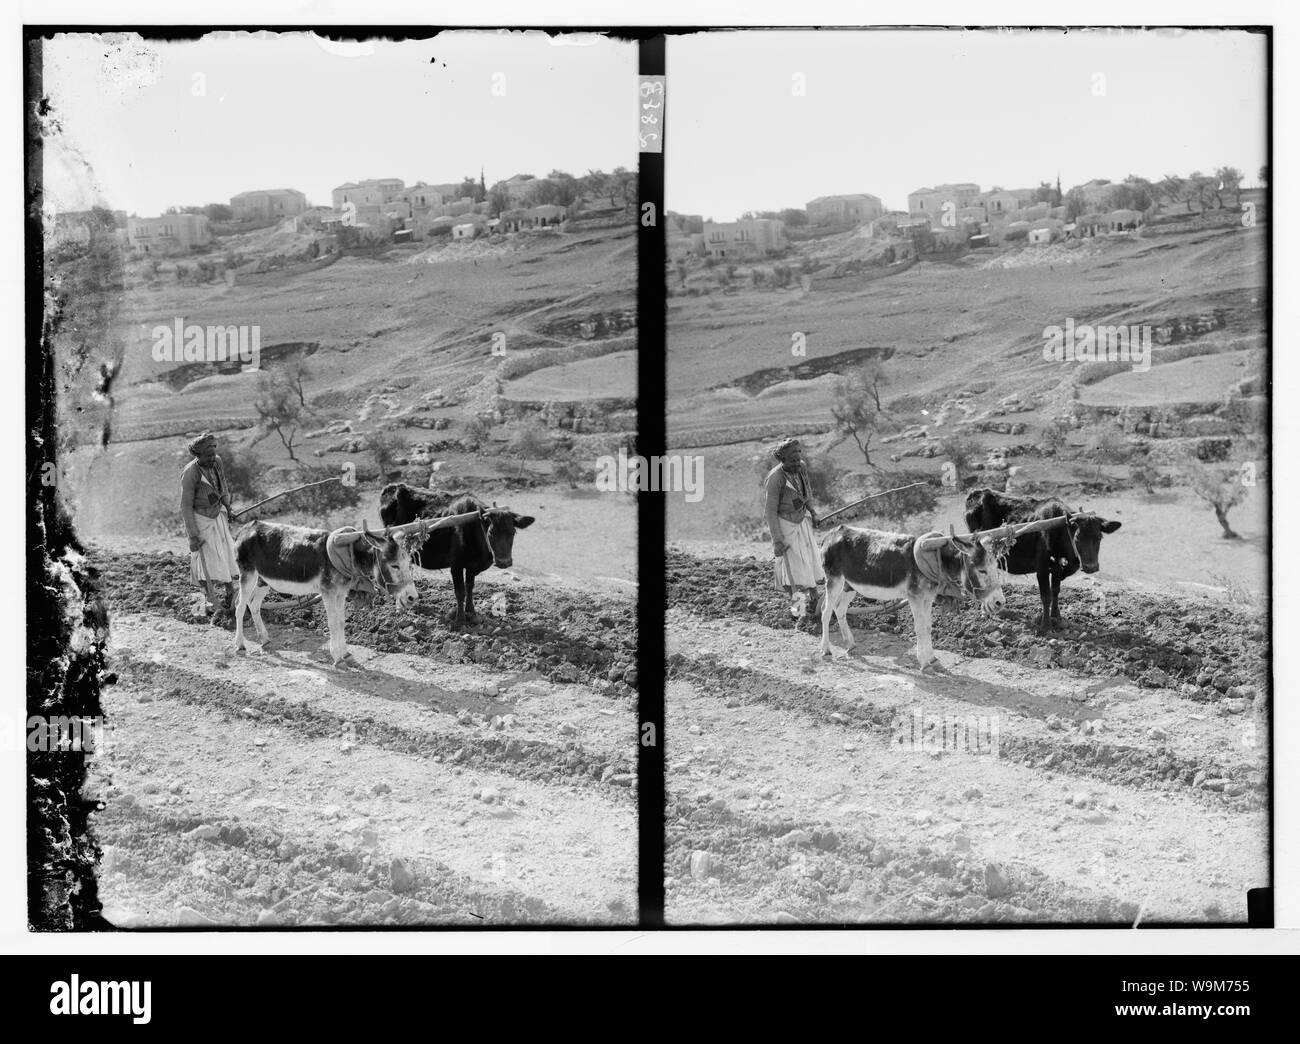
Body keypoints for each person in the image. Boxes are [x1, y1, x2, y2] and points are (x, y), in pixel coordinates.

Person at [763, 438, 826, 623]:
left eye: (799, 455)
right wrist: (777, 540)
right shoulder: (775, 479)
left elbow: (808, 493)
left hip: (802, 521)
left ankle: (815, 601)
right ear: (782, 459)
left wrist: (814, 513)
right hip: (785, 526)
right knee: (794, 571)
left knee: (811, 561)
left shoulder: (801, 468)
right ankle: (798, 611)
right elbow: (770, 511)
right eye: (792, 458)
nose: (797, 461)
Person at [180, 432, 239, 624]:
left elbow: (224, 488)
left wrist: (229, 507)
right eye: (207, 455)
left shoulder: (217, 463)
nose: (212, 458)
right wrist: (192, 536)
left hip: (218, 514)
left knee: (226, 554)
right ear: (197, 455)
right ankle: (208, 600)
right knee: (204, 562)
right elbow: (186, 506)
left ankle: (231, 593)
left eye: (213, 453)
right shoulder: (190, 473)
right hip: (200, 520)